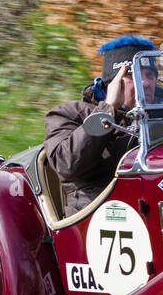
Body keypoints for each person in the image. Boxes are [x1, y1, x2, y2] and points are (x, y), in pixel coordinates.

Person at [44, 34, 155, 216]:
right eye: (132, 74)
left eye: (150, 75)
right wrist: (107, 109)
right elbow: (67, 165)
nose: (145, 82)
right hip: (97, 215)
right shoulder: (69, 114)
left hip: (154, 204)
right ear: (113, 82)